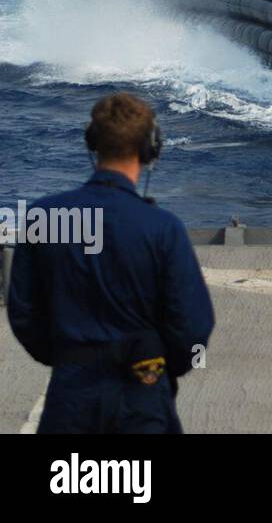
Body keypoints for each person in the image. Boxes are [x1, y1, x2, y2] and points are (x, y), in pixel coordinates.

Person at [6, 92, 215, 434]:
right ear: (150, 150)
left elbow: (24, 313)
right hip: (143, 394)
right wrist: (161, 368)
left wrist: (64, 358)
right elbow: (193, 327)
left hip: (70, 395)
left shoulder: (45, 217)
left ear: (93, 145)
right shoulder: (163, 228)